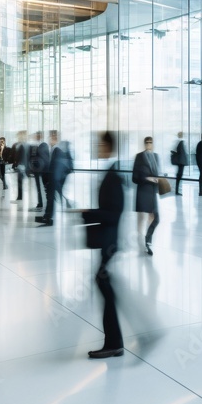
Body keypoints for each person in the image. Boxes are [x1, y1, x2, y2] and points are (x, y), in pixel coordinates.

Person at [82, 131, 126, 359]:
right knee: (104, 284)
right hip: (108, 241)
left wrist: (89, 212)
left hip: (110, 241)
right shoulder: (110, 173)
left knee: (104, 285)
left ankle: (114, 343)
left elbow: (114, 214)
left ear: (108, 147)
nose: (97, 147)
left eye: (100, 144)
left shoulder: (113, 177)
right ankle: (114, 341)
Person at [133, 136, 161, 256]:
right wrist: (148, 178)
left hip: (152, 192)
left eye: (151, 142)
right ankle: (143, 242)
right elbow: (134, 178)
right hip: (143, 191)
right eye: (147, 142)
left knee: (156, 218)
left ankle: (147, 240)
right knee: (141, 219)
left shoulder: (156, 156)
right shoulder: (139, 156)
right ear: (144, 144)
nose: (149, 144)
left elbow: (157, 174)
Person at [30, 131, 50, 211]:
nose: (36, 137)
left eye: (38, 135)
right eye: (36, 135)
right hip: (36, 170)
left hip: (43, 170)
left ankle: (47, 203)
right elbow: (32, 157)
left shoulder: (44, 145)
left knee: (45, 187)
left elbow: (45, 157)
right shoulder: (34, 146)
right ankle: (40, 203)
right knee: (38, 187)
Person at [10, 131, 28, 203]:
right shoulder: (21, 145)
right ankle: (19, 197)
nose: (17, 137)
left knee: (19, 182)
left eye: (19, 135)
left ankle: (19, 197)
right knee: (19, 181)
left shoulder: (22, 145)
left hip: (21, 166)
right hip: (21, 165)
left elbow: (21, 156)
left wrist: (18, 164)